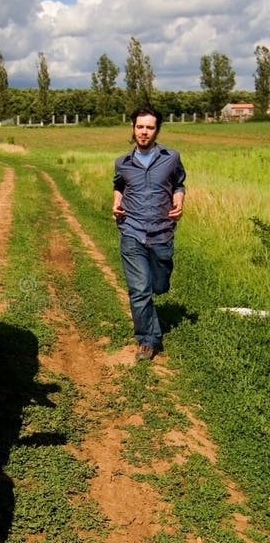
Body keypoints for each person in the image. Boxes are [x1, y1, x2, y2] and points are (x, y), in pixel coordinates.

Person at [112, 104, 186, 361]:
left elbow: (179, 183)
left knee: (159, 285)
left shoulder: (171, 158)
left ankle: (157, 292)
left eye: (149, 127)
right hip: (131, 230)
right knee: (140, 289)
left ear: (157, 130)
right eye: (140, 126)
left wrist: (179, 201)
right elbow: (119, 184)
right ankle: (147, 339)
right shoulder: (122, 163)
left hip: (162, 233)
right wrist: (116, 202)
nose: (144, 132)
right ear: (133, 128)